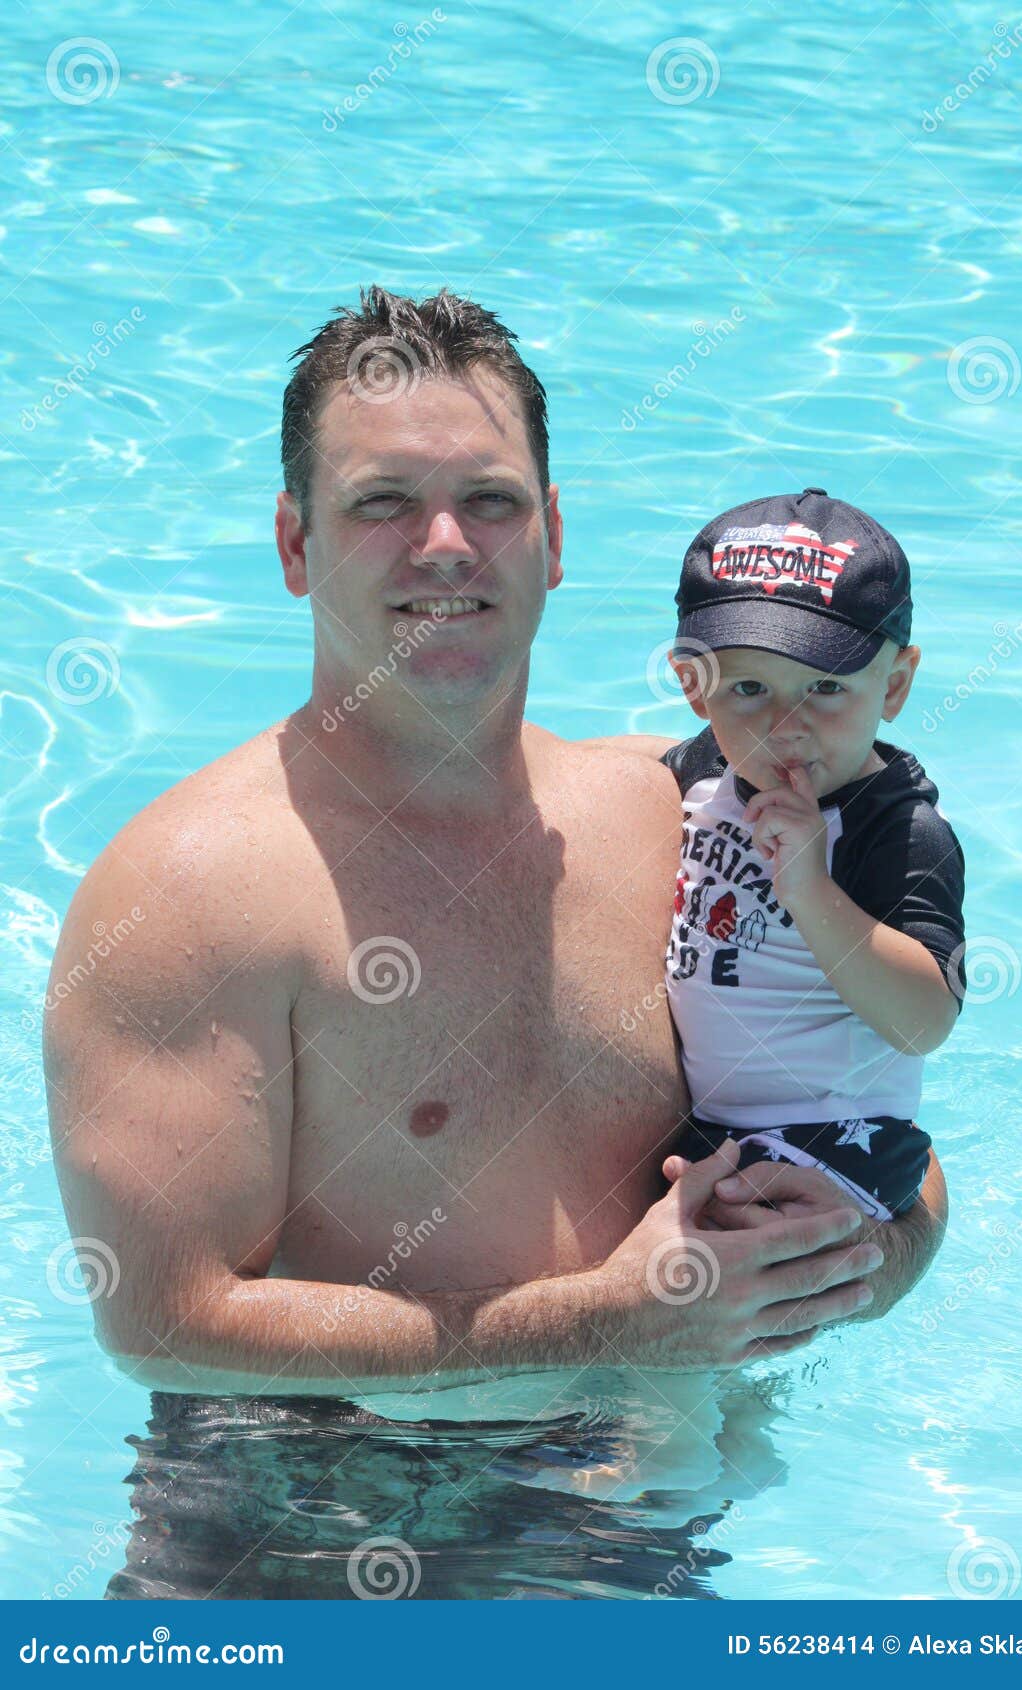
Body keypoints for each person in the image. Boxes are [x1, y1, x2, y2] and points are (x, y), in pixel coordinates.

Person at [44, 292, 943, 1407]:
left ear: (553, 538)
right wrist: (601, 1324)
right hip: (308, 1507)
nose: (444, 546)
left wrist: (862, 1250)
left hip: (634, 1504)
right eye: (382, 504)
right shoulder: (190, 895)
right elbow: (159, 1326)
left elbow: (865, 1119)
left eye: (489, 500)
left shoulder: (680, 816)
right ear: (293, 543)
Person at [655, 489, 965, 1225]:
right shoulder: (699, 771)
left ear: (892, 686)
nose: (785, 726)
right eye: (751, 687)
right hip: (713, 1123)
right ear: (695, 685)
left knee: (717, 1253)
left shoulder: (896, 828)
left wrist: (808, 886)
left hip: (839, 1138)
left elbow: (924, 1022)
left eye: (825, 688)